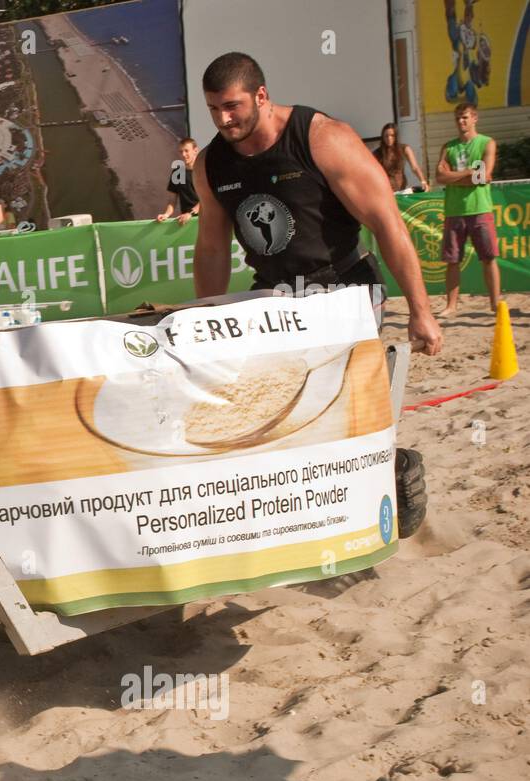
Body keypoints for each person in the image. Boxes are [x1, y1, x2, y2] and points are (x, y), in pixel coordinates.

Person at [190, 52, 440, 541]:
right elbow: (212, 246)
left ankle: (397, 469)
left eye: (233, 107)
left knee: (343, 407)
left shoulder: (322, 137)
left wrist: (421, 312)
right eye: (214, 109)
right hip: (273, 295)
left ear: (261, 96)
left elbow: (387, 224)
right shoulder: (212, 163)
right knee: (273, 415)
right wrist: (202, 319)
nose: (223, 119)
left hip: (346, 288)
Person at [435, 103, 499, 317]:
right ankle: (451, 306)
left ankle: (494, 304)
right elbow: (439, 177)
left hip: (480, 208)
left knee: (489, 258)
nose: (460, 121)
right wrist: (469, 174)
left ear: (474, 118)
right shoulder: (448, 146)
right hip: (454, 210)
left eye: (464, 117)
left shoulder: (487, 143)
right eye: (457, 118)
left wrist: (454, 176)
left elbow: (484, 176)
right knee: (452, 260)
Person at [372, 123, 429, 193]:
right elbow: (372, 173)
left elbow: (415, 167)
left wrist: (423, 181)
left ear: (396, 136)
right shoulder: (377, 153)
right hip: (386, 191)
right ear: (383, 137)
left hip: (402, 190)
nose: (389, 138)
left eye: (392, 135)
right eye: (386, 136)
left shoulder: (404, 148)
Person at [156, 137, 201, 225]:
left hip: (206, 220)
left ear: (195, 150)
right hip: (185, 220)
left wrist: (191, 213)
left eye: (186, 151)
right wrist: (166, 214)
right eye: (181, 152)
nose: (183, 154)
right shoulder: (178, 172)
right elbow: (172, 200)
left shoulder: (204, 170)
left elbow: (209, 198)